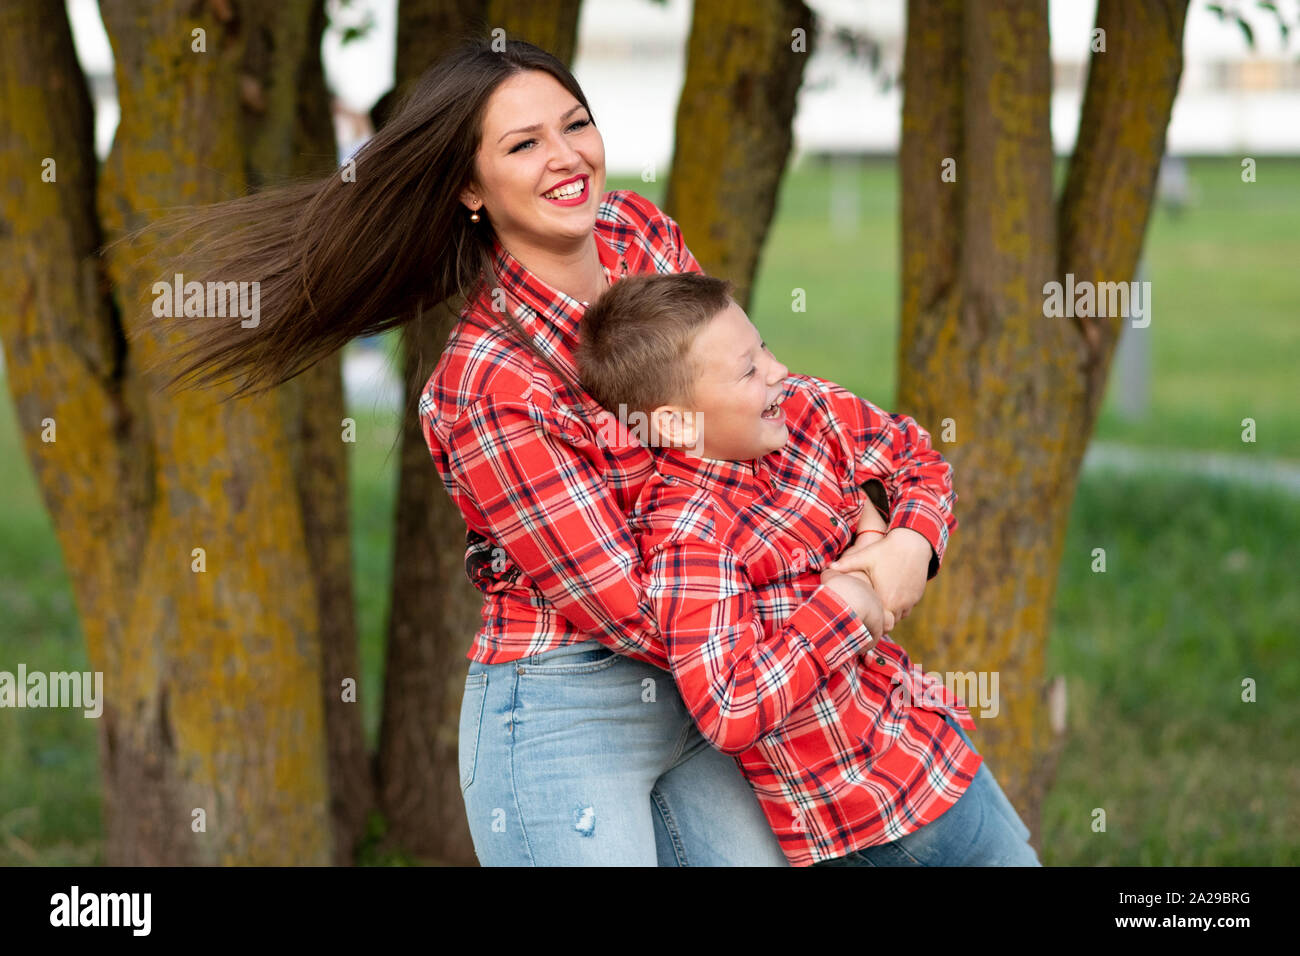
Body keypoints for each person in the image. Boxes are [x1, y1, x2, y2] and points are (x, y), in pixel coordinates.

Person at [153, 37, 945, 866]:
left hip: (708, 680)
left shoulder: (638, 233)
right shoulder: (482, 384)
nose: (566, 159)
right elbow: (637, 604)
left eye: (576, 124)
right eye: (523, 144)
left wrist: (881, 530)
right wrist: (848, 585)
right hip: (572, 705)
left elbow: (746, 425)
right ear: (468, 186)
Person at [576, 271, 1041, 866]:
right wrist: (843, 609)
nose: (778, 370)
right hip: (866, 817)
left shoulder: (805, 411)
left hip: (930, 740)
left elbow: (914, 456)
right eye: (748, 370)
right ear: (673, 423)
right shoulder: (690, 537)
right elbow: (728, 705)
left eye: (763, 345)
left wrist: (911, 542)